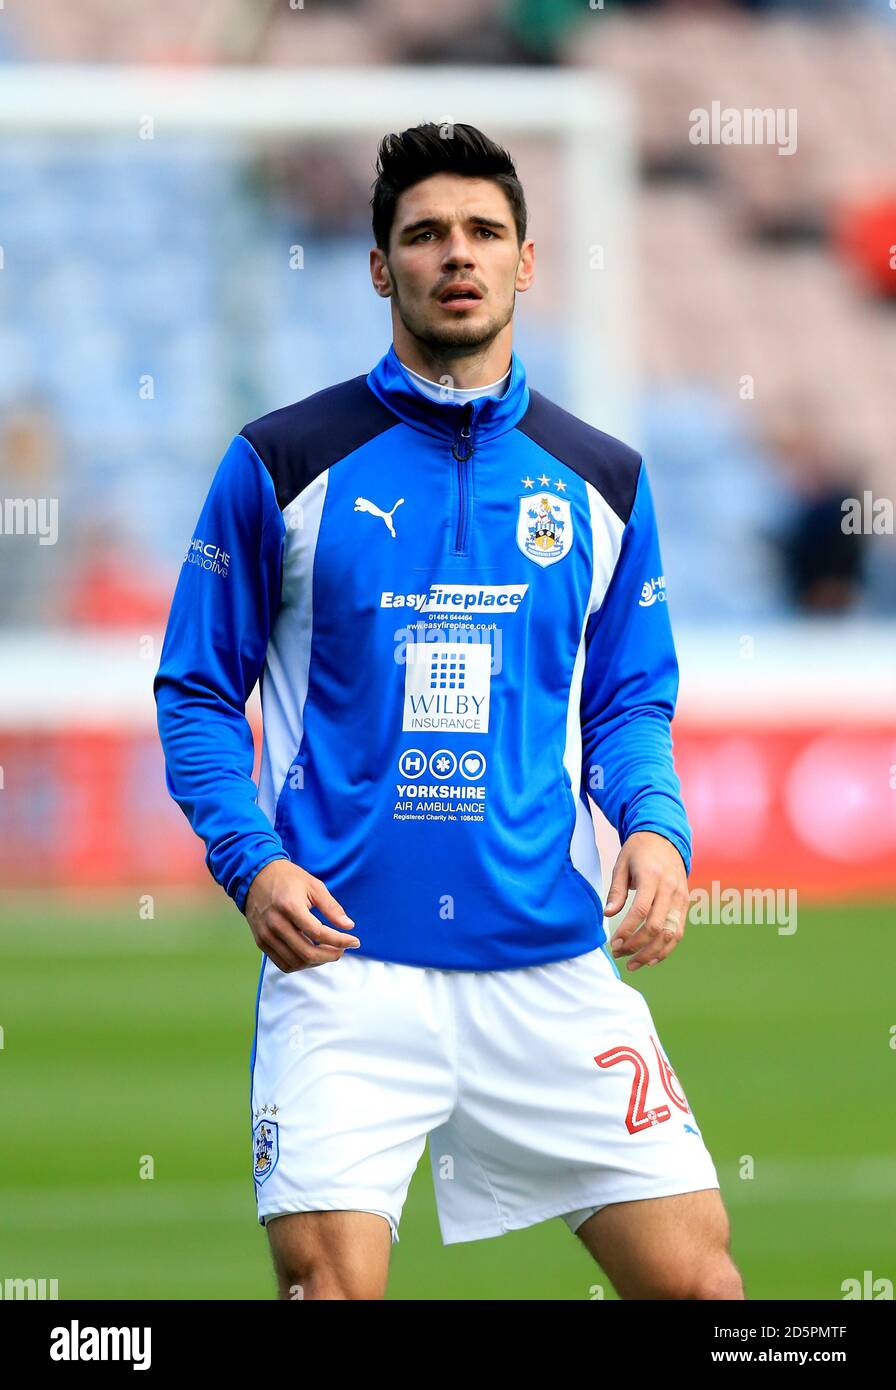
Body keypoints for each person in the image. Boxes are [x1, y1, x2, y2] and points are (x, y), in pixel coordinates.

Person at [154, 122, 744, 1301]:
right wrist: (252, 862)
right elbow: (198, 691)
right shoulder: (279, 462)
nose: (455, 255)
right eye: (423, 235)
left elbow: (629, 697)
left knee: (702, 1292)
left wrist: (654, 827)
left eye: (482, 232)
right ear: (380, 267)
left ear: (527, 261)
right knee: (328, 1293)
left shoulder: (604, 480)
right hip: (343, 962)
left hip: (546, 958)